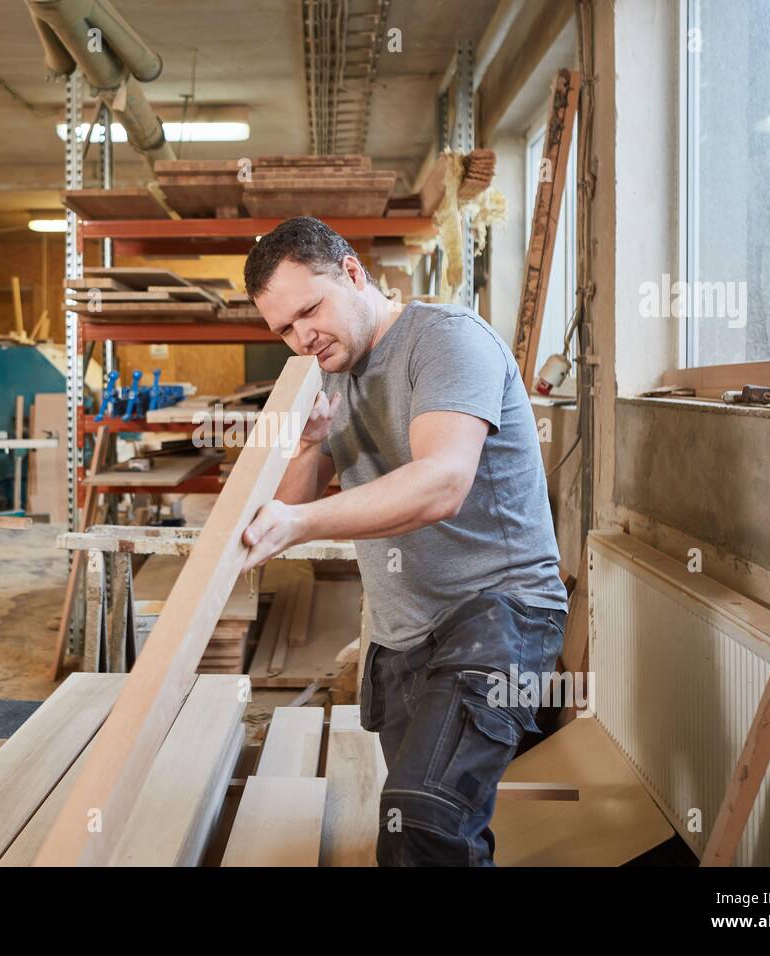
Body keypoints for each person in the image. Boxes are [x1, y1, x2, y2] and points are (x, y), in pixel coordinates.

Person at [239, 216, 567, 866]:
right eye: (283, 329)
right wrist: (308, 445)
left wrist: (298, 525)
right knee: (427, 826)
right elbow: (293, 499)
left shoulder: (446, 342)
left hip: (498, 616)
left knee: (425, 820)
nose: (302, 336)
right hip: (401, 635)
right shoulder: (323, 369)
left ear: (354, 274)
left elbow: (441, 482)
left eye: (310, 309)